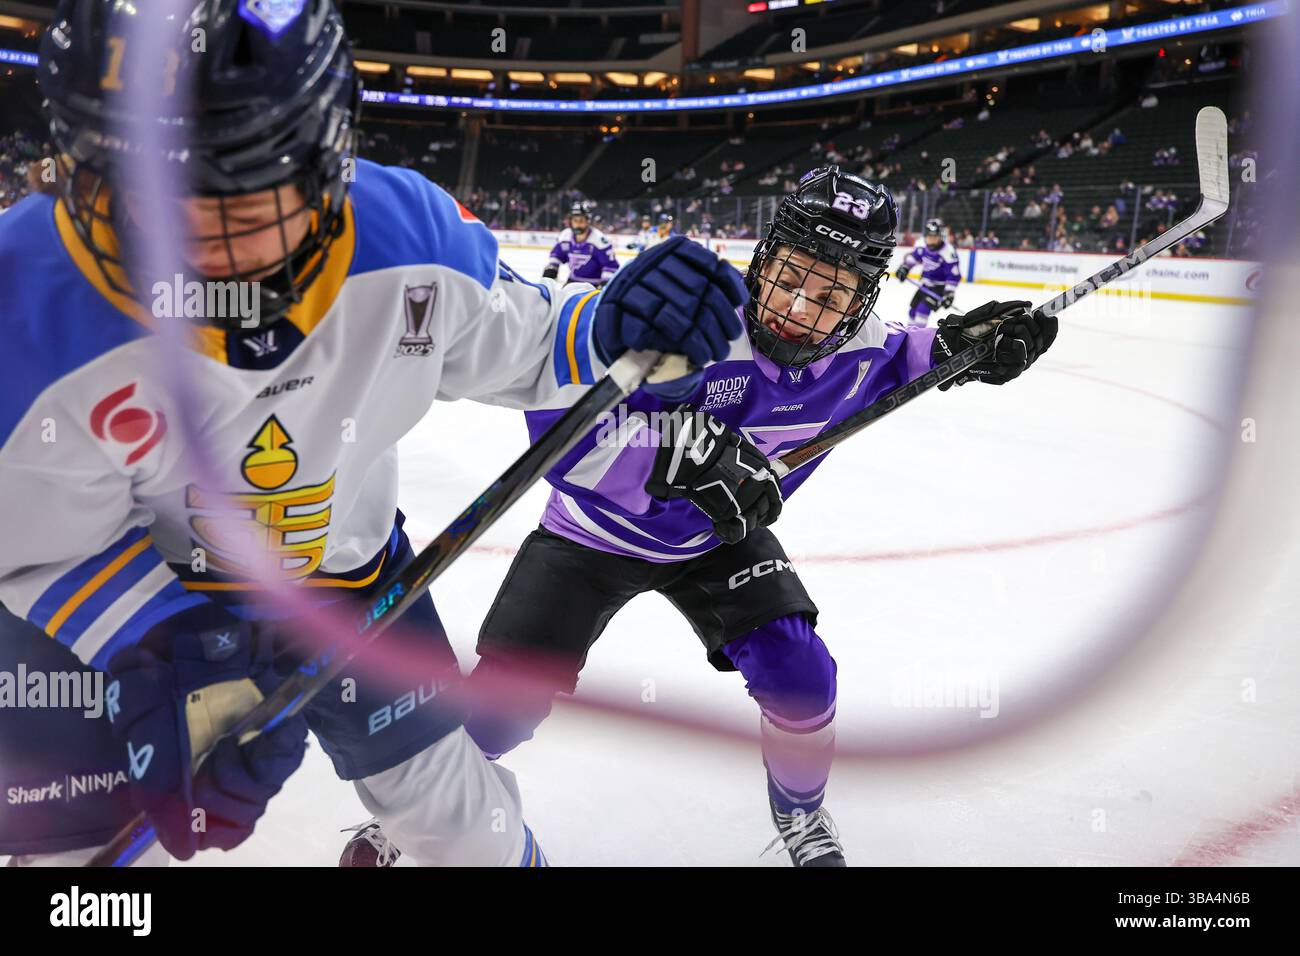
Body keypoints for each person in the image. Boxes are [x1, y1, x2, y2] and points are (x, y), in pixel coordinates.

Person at [0, 0, 744, 867]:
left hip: (348, 584)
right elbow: (31, 545)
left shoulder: (407, 240)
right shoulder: (23, 307)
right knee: (82, 872)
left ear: (325, 163)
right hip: (117, 598)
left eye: (234, 190)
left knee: (466, 827)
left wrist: (619, 328)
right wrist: (161, 642)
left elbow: (532, 344)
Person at [343, 165, 1057, 867]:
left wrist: (968, 348)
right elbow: (558, 421)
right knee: (504, 705)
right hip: (590, 537)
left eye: (832, 292)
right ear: (764, 257)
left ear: (864, 295)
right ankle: (428, 816)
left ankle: (801, 814)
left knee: (802, 677)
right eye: (790, 276)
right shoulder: (694, 325)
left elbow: (907, 357)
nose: (801, 307)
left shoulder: (864, 346)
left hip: (719, 539)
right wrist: (666, 456)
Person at [894, 218, 961, 327]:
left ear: (941, 236)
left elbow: (953, 275)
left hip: (939, 289)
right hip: (924, 285)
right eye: (929, 237)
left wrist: (949, 294)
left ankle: (918, 337)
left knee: (922, 311)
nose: (932, 241)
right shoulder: (921, 245)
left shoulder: (948, 252)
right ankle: (910, 333)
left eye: (935, 237)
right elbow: (914, 258)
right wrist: (904, 268)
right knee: (912, 311)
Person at [543, 203, 618, 286]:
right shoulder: (565, 236)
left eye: (581, 221)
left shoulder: (599, 240)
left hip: (593, 285)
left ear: (588, 221)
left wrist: (604, 284)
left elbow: (610, 266)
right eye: (575, 221)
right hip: (572, 282)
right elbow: (557, 255)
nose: (578, 224)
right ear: (571, 221)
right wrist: (552, 267)